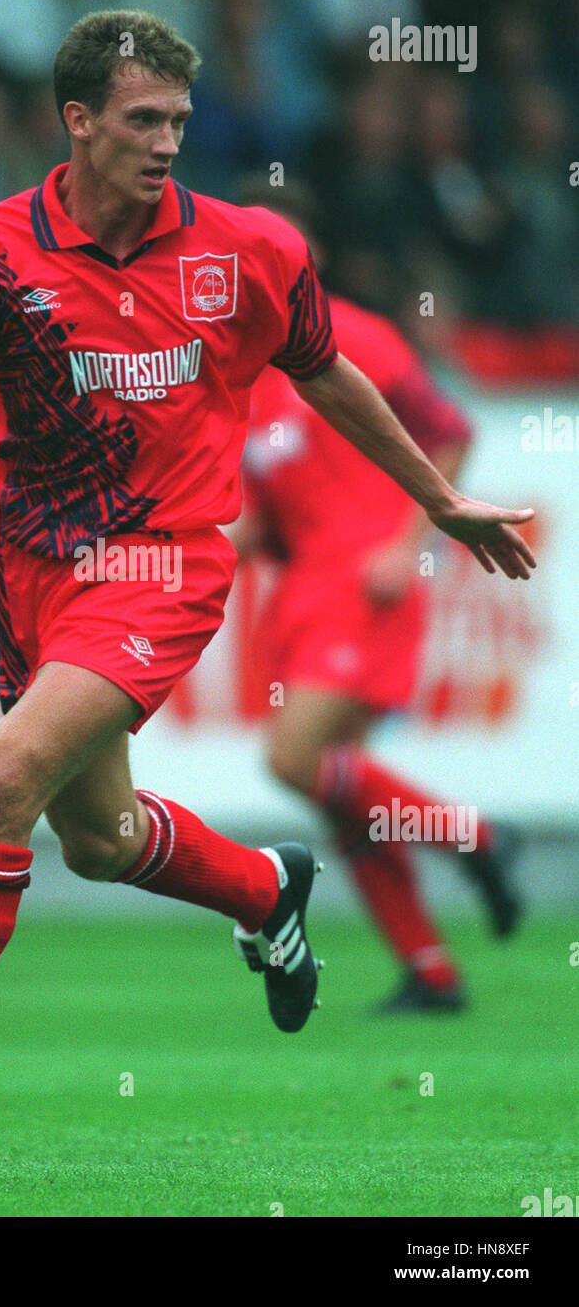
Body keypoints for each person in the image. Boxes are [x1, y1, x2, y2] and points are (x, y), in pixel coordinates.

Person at [0, 11, 534, 1149]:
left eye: (178, 119)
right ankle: (264, 892)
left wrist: (432, 502)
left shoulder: (248, 250)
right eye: (142, 119)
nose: (166, 140)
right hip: (35, 571)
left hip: (158, 568)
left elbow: (328, 375)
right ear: (76, 122)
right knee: (97, 839)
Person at [232, 180, 523, 1014]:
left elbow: (453, 431)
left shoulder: (355, 336)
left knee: (293, 758)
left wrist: (408, 546)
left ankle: (475, 838)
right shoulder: (242, 373)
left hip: (365, 586)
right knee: (342, 789)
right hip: (306, 596)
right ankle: (430, 971)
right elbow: (260, 519)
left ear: (306, 260)